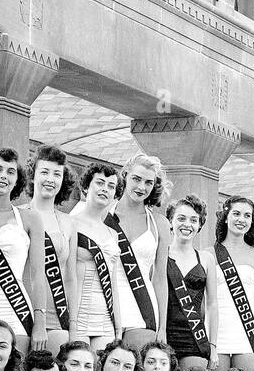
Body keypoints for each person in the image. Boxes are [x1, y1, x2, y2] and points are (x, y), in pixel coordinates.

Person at [0, 148, 47, 354]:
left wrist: (40, 322)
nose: (3, 176)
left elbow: (38, 275)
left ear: (17, 179)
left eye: (10, 171)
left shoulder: (30, 218)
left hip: (16, 307)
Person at [106, 153, 170, 351]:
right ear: (124, 176)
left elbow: (159, 277)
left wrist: (162, 327)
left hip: (142, 304)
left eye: (149, 182)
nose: (142, 187)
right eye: (136, 179)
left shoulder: (159, 223)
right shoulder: (103, 213)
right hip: (105, 300)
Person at [68, 161, 121, 352]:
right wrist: (71, 323)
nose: (105, 189)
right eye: (99, 183)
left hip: (106, 318)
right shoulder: (70, 224)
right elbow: (68, 277)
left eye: (111, 186)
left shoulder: (112, 233)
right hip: (78, 316)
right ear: (85, 187)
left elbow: (113, 285)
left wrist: (118, 327)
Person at [29, 145, 78, 353]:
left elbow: (70, 277)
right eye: (44, 172)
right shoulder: (19, 215)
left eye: (57, 174)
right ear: (33, 176)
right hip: (21, 308)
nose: (50, 179)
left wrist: (73, 325)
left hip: (57, 314)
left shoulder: (69, 223)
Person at [214, 195, 254, 371]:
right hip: (217, 333)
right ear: (226, 217)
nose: (241, 220)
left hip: (247, 332)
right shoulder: (209, 253)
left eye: (247, 216)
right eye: (236, 214)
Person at [163, 194, 216, 371]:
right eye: (181, 218)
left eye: (194, 220)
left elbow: (212, 304)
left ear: (200, 225)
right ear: (170, 221)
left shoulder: (206, 259)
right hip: (165, 333)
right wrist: (159, 331)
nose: (187, 224)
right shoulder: (160, 253)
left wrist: (213, 346)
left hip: (195, 335)